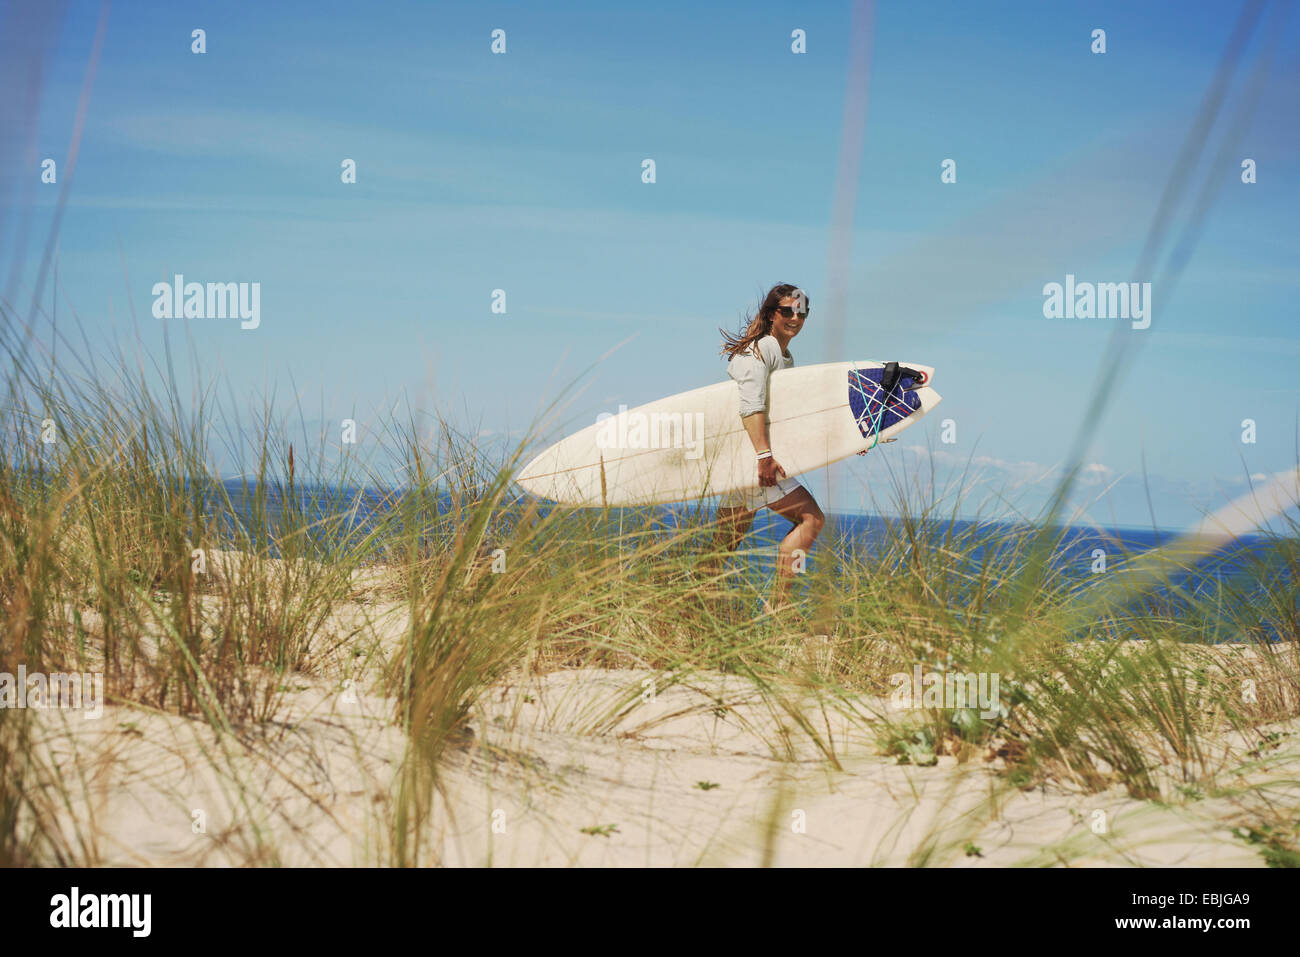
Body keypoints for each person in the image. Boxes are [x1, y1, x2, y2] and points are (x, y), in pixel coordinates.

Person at [706, 283, 825, 611]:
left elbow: (786, 417)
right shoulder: (762, 349)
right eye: (787, 311)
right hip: (756, 460)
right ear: (772, 314)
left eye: (801, 313)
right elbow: (750, 404)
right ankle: (781, 604)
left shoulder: (782, 354)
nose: (795, 318)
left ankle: (691, 605)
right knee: (811, 521)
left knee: (724, 544)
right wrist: (764, 457)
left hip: (742, 459)